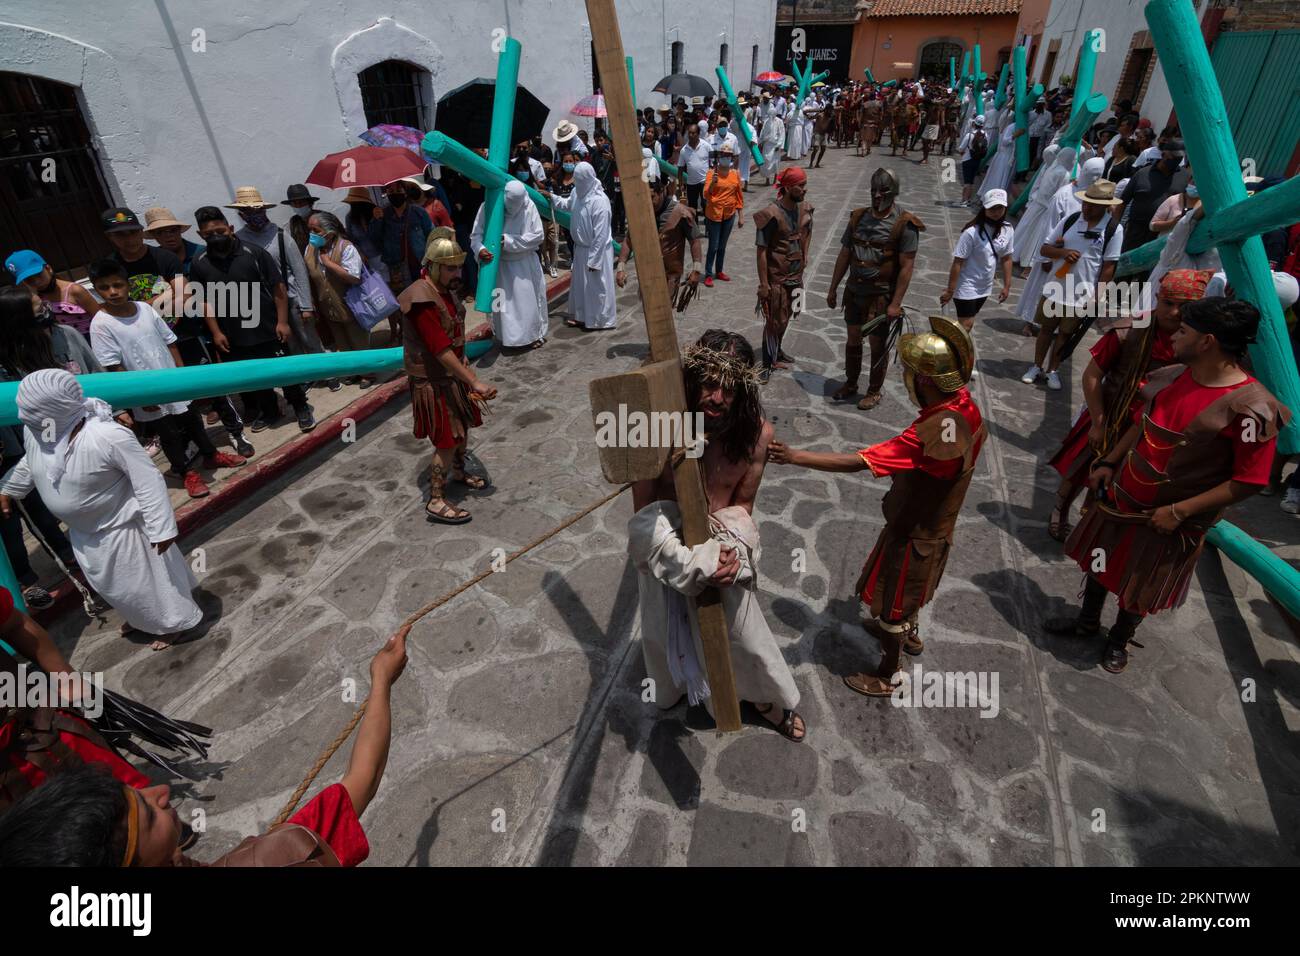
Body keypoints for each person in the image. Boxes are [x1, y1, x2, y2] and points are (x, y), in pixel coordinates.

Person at [0, 626, 407, 866]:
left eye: (135, 792)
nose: (160, 791)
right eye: (146, 812)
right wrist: (381, 681)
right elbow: (362, 780)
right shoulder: (278, 857)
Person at [1048, 298, 1289, 673]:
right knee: (1101, 560)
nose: (1174, 334)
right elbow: (1144, 421)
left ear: (1207, 341)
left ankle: (1118, 639)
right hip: (1124, 494)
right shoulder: (1178, 374)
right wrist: (1111, 461)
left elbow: (1248, 481)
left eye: (1183, 331)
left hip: (1171, 516)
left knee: (1142, 580)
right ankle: (1087, 621)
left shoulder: (1252, 408)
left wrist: (1180, 511)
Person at [768, 315, 985, 695]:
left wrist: (795, 456)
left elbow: (860, 460)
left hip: (917, 532)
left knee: (894, 607)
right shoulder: (966, 406)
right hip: (931, 526)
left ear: (926, 380)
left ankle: (888, 672)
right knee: (909, 594)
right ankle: (910, 636)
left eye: (917, 372)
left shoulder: (927, 436)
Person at [629, 330, 804, 741]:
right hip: (668, 553)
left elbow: (743, 508)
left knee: (745, 640)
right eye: (708, 384)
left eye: (729, 389)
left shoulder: (757, 435)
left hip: (723, 555)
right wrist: (690, 563)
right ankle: (675, 687)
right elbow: (643, 517)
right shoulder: (660, 427)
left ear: (744, 391)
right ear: (691, 381)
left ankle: (762, 700)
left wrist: (727, 557)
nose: (717, 398)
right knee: (664, 641)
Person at [0, 370, 206, 650]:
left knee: (145, 584)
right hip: (86, 535)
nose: (25, 417)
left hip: (124, 530)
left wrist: (161, 527)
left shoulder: (107, 435)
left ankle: (172, 624)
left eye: (32, 411)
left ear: (57, 409)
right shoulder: (40, 433)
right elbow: (30, 462)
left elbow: (147, 480)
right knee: (115, 587)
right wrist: (8, 489)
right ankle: (143, 617)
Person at [1044, 269, 1206, 542]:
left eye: (1185, 307)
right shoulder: (1130, 329)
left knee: (1125, 479)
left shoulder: (1196, 342)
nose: (1176, 313)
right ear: (1157, 298)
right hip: (1110, 413)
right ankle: (1060, 510)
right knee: (1082, 466)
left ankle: (1096, 522)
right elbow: (1092, 375)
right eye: (1169, 303)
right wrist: (1098, 421)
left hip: (1151, 425)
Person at [88, 259, 247, 499]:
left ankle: (211, 455)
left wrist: (180, 376)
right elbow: (113, 364)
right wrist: (139, 395)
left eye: (117, 285)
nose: (113, 292)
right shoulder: (101, 324)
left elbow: (169, 340)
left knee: (192, 419)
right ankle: (185, 472)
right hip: (145, 389)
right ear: (95, 289)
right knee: (169, 433)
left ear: (127, 285)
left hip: (172, 379)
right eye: (104, 287)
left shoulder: (144, 308)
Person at [0, 286, 92, 609]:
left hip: (32, 442)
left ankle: (66, 554)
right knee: (9, 521)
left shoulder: (45, 340)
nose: (45, 309)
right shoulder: (4, 359)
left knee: (41, 507)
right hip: (9, 449)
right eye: (37, 306)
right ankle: (25, 581)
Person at [397, 228, 497, 525]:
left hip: (452, 375)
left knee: (462, 427)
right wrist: (474, 380)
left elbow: (453, 333)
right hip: (433, 380)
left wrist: (464, 361)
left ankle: (458, 471)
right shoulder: (421, 299)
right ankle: (436, 500)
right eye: (450, 267)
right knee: (446, 438)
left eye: (458, 266)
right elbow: (439, 348)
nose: (457, 272)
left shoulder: (444, 290)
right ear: (434, 267)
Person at [188, 206, 316, 433]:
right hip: (233, 335)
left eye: (220, 231)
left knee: (284, 372)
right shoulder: (199, 262)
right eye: (209, 234)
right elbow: (203, 300)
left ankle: (300, 407)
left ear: (230, 228)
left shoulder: (254, 252)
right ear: (200, 236)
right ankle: (270, 411)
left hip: (268, 328)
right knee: (254, 377)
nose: (215, 237)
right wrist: (216, 332)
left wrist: (283, 322)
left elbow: (278, 289)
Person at [826, 167, 921, 410]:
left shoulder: (904, 224)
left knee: (877, 345)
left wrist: (895, 303)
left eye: (883, 191)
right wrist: (833, 287)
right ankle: (851, 383)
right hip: (855, 291)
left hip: (880, 296)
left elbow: (906, 267)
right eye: (874, 191)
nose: (877, 195)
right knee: (853, 338)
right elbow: (845, 253)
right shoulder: (858, 217)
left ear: (894, 192)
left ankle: (874, 390)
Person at [1021, 179, 1125, 391]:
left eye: (1092, 205)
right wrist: (1063, 253)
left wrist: (1098, 295)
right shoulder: (1072, 220)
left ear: (1105, 207)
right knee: (1045, 329)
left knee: (1065, 334)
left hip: (1081, 292)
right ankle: (1036, 366)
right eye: (1085, 203)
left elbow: (1108, 266)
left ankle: (1053, 370)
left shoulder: (1113, 230)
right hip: (1055, 286)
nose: (1086, 208)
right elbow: (1045, 249)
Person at [230, 186, 328, 369]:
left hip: (293, 300)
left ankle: (327, 373)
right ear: (241, 214)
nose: (254, 214)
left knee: (309, 339)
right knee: (289, 344)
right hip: (268, 305)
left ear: (265, 210)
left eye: (258, 210)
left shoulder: (281, 235)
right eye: (248, 211)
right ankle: (305, 376)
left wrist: (306, 305)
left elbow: (299, 271)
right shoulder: (239, 240)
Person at [470, 179, 548, 349]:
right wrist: (480, 249)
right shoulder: (488, 206)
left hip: (523, 265)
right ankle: (505, 337)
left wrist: (508, 240)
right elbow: (476, 235)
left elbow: (537, 236)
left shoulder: (529, 207)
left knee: (528, 304)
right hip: (499, 265)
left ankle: (532, 335)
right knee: (502, 304)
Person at [302, 210, 377, 388]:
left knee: (358, 340)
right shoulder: (310, 249)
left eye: (316, 230)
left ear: (329, 231)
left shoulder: (346, 247)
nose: (312, 234)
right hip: (328, 305)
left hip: (350, 304)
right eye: (310, 230)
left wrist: (329, 263)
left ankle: (367, 372)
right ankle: (353, 372)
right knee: (342, 342)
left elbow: (354, 276)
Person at [753, 166, 814, 376]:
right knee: (774, 319)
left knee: (788, 315)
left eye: (805, 184)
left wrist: (805, 255)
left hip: (795, 277)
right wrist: (764, 284)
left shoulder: (804, 209)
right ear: (787, 187)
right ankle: (768, 361)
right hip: (776, 278)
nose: (804, 189)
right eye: (800, 186)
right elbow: (761, 251)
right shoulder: (771, 214)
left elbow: (807, 231)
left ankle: (777, 351)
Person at [940, 189, 1013, 349]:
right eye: (992, 208)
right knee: (965, 326)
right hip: (966, 286)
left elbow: (1007, 258)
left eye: (999, 208)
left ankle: (950, 355)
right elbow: (958, 262)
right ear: (984, 208)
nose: (996, 212)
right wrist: (950, 290)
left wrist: (1007, 286)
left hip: (985, 287)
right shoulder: (971, 233)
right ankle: (955, 360)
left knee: (965, 326)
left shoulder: (1008, 229)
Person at [548, 162, 616, 331]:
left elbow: (600, 236)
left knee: (596, 287)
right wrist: (552, 197)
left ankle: (600, 320)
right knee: (581, 286)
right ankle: (582, 316)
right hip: (581, 249)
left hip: (596, 251)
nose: (576, 183)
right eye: (575, 180)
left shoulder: (600, 201)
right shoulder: (577, 192)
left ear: (588, 179)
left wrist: (594, 261)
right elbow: (567, 205)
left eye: (579, 180)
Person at [614, 176, 702, 304]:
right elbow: (628, 241)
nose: (649, 202)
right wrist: (621, 268)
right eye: (645, 198)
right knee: (650, 312)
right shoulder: (641, 212)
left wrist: (696, 269)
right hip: (648, 274)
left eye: (652, 197)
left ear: (661, 192)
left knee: (665, 315)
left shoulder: (680, 212)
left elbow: (695, 240)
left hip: (671, 276)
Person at [7, 249, 99, 340]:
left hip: (93, 339)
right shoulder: (36, 299)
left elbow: (99, 317)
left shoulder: (74, 290)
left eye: (39, 275)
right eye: (29, 280)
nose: (37, 282)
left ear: (48, 269)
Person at [370, 178, 433, 305]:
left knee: (426, 300)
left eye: (398, 190)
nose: (394, 194)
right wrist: (377, 220)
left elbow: (431, 235)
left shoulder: (418, 212)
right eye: (391, 191)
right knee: (405, 303)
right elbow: (374, 239)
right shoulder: (383, 214)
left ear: (405, 192)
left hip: (420, 265)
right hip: (397, 270)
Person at [1012, 145, 1074, 273]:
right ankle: (1028, 266)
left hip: (1038, 205)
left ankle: (1016, 256)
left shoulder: (1051, 168)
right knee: (1038, 237)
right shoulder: (1065, 174)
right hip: (1047, 209)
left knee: (1027, 231)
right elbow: (1060, 194)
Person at [1118, 139, 1185, 252]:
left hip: (1165, 234)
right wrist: (1115, 227)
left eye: (1179, 158)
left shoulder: (1185, 176)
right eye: (1174, 157)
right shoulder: (1142, 174)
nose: (1176, 161)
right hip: (1136, 232)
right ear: (1163, 154)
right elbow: (1123, 202)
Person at [701, 144, 744, 288]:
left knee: (722, 246)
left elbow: (738, 195)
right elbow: (706, 194)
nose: (726, 157)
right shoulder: (711, 173)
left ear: (731, 157)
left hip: (729, 214)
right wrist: (713, 184)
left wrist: (741, 215)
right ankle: (708, 274)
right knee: (713, 246)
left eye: (728, 155)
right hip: (714, 214)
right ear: (719, 157)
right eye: (723, 154)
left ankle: (719, 271)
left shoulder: (735, 174)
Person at [677, 123, 711, 214]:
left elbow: (713, 162)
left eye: (693, 133)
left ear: (698, 134)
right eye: (689, 133)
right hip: (691, 183)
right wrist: (681, 185)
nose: (691, 135)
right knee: (692, 207)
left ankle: (708, 225)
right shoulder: (684, 150)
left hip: (705, 181)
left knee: (706, 204)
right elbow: (680, 169)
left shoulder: (706, 146)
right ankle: (694, 227)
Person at [956, 115, 988, 207]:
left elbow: (961, 148)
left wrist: (962, 153)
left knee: (967, 182)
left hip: (967, 159)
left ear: (974, 123)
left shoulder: (969, 135)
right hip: (977, 160)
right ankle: (968, 199)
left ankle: (964, 200)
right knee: (972, 181)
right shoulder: (986, 135)